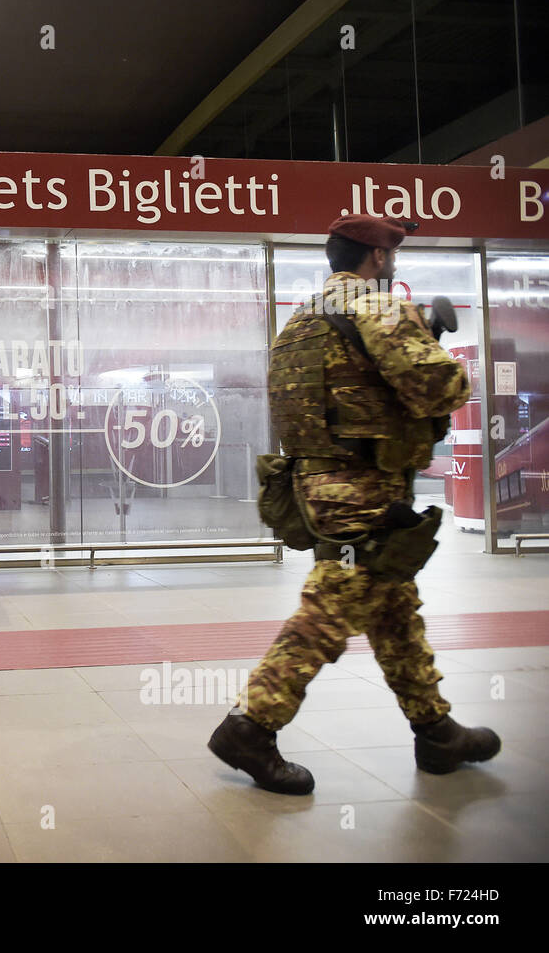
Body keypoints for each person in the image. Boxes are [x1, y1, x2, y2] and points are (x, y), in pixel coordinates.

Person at [208, 215, 500, 794]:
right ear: (379, 259)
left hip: (316, 487)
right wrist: (447, 359)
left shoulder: (299, 321)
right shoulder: (380, 307)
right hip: (363, 493)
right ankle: (250, 725)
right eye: (391, 256)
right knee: (330, 608)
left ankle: (435, 729)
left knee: (393, 608)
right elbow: (437, 388)